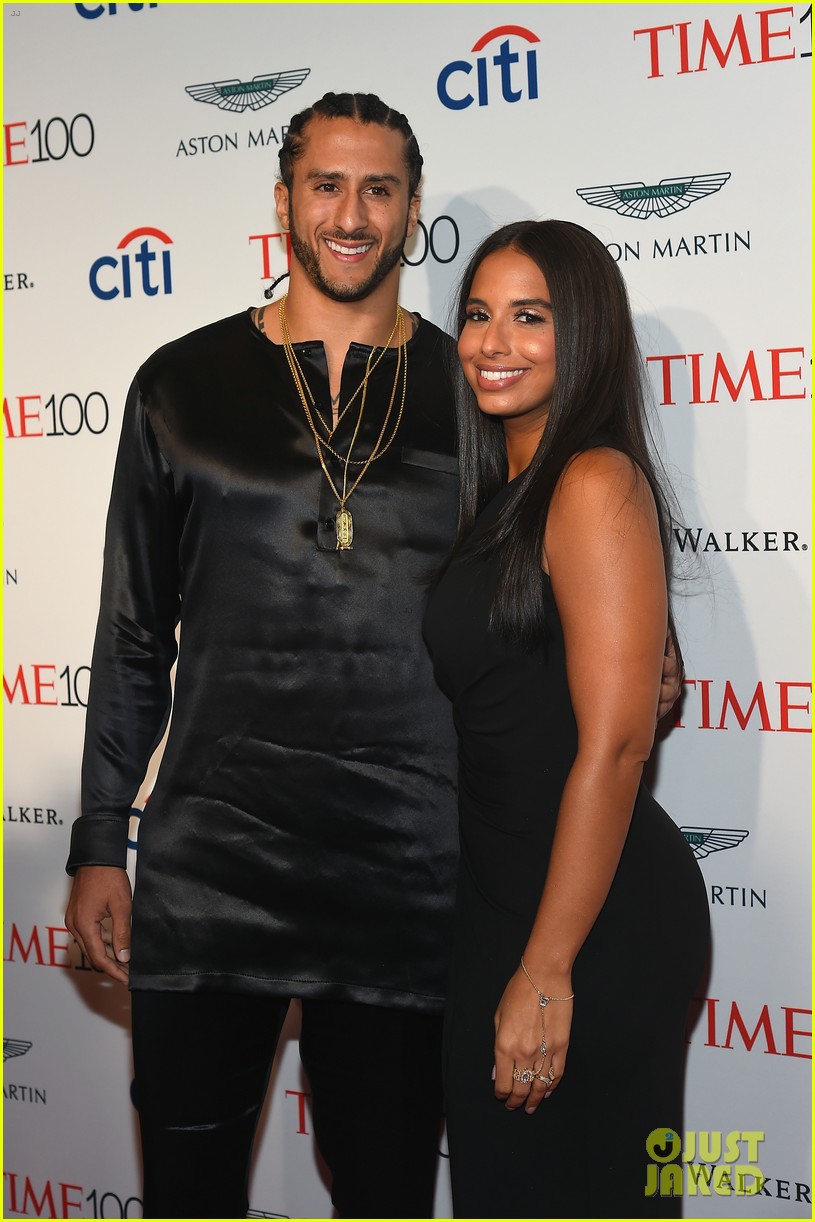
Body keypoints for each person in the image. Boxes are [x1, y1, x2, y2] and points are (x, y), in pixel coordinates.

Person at [64, 96, 681, 1219]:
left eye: (379, 190)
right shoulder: (178, 385)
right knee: (187, 1194)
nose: (351, 215)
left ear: (409, 211)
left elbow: (584, 573)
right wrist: (104, 834)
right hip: (212, 874)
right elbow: (132, 631)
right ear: (284, 201)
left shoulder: (477, 397)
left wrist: (656, 651)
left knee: (389, 1195)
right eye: (326, 186)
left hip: (410, 881)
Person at [423, 220, 710, 1219]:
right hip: (501, 902)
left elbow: (617, 741)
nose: (490, 341)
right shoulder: (498, 492)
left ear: (580, 331)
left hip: (590, 926)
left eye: (528, 316)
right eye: (475, 314)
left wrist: (545, 970)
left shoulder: (589, 481)